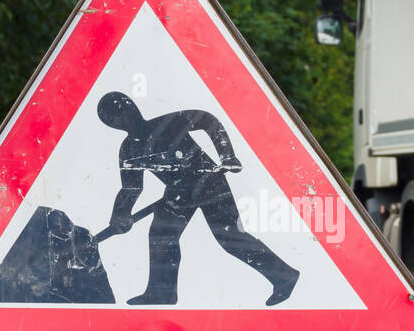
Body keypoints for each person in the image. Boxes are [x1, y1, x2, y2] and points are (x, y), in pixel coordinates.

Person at [98, 91, 299, 305]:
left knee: (229, 238)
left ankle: (284, 277)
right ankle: (162, 294)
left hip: (209, 183)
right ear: (113, 124)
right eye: (118, 115)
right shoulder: (129, 149)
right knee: (161, 236)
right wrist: (120, 214)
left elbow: (207, 120)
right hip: (178, 194)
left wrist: (227, 155)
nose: (127, 115)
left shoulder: (168, 123)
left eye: (127, 108)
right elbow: (131, 188)